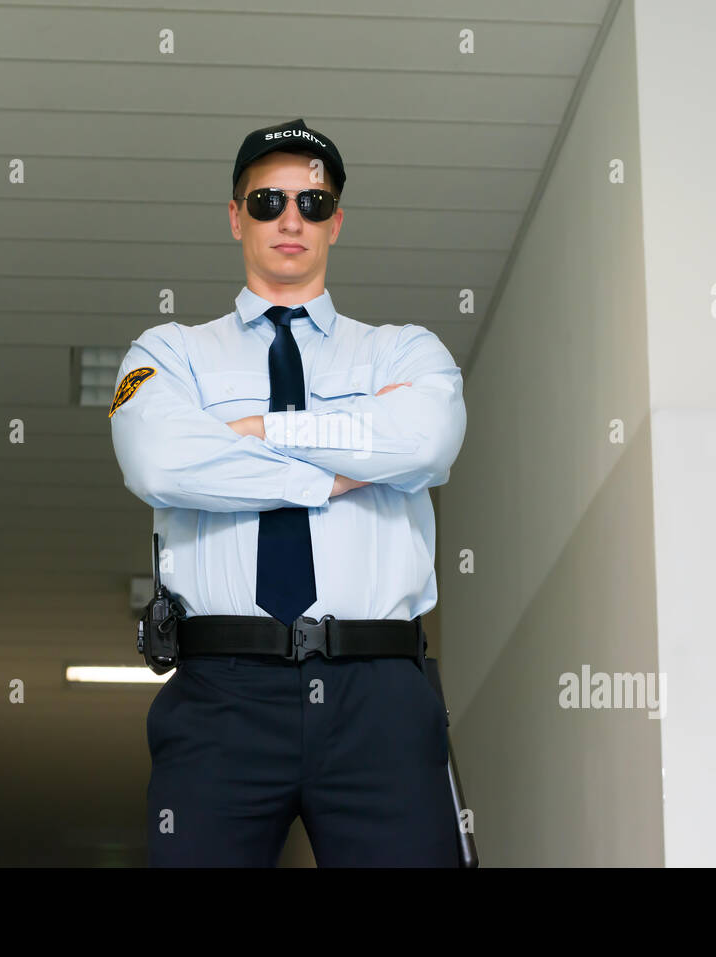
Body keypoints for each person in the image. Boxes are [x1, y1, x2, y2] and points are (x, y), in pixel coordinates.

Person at [109, 117, 467, 866]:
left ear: (336, 219)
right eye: (268, 201)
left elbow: (427, 440)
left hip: (381, 694)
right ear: (235, 215)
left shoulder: (404, 349)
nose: (291, 219)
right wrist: (342, 464)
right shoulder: (169, 352)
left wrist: (252, 432)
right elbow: (158, 460)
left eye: (312, 201)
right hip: (220, 695)